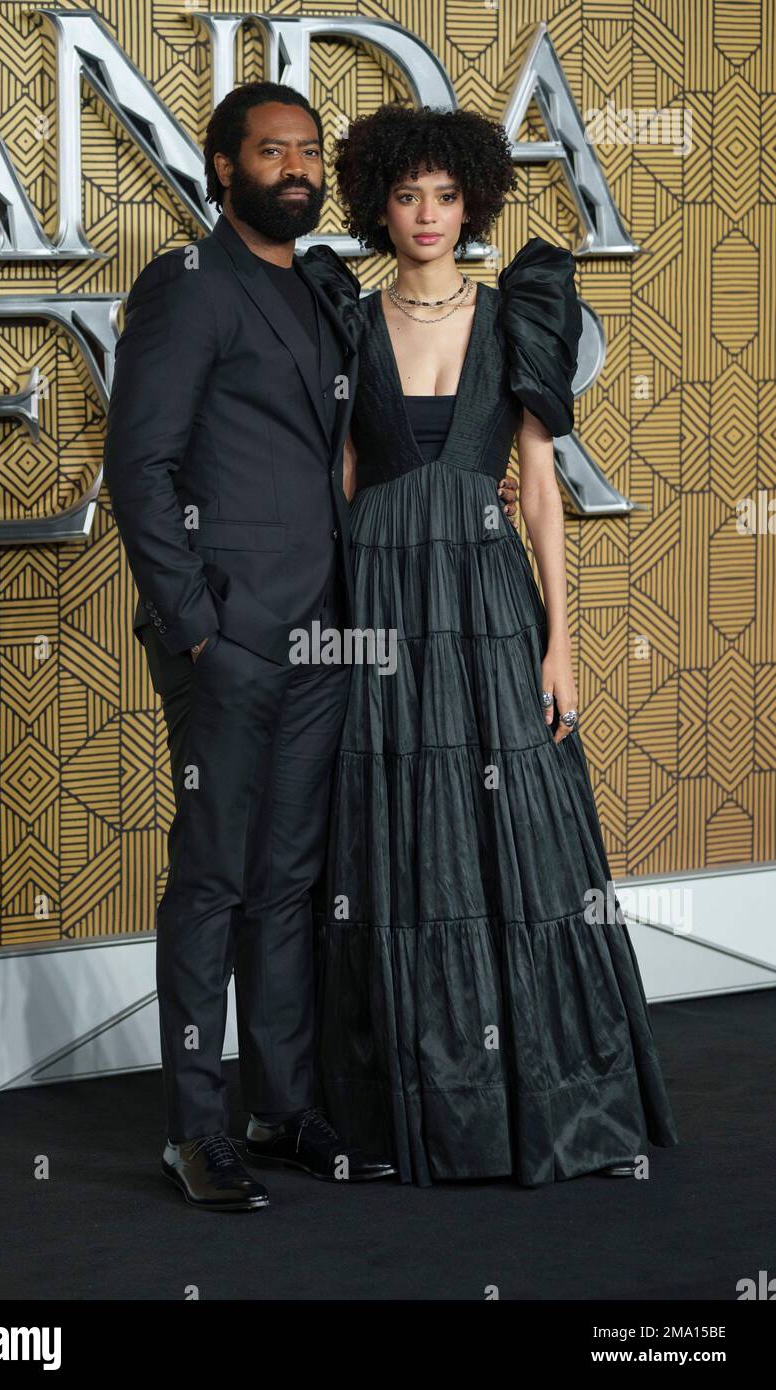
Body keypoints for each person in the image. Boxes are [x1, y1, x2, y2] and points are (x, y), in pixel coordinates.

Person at [103, 82, 519, 1211]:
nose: (291, 167)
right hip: (228, 638)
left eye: (304, 151)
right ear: (223, 166)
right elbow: (135, 468)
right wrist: (196, 627)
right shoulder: (189, 286)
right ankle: (197, 1131)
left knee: (290, 883)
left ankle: (278, 1108)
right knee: (214, 881)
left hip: (329, 631)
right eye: (267, 150)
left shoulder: (319, 290)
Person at [311, 103, 680, 1188]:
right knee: (388, 832)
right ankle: (396, 1116)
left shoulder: (520, 308)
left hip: (484, 593)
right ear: (379, 207)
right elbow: (335, 480)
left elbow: (541, 495)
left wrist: (560, 641)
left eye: (443, 194)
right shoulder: (343, 315)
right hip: (376, 589)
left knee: (522, 831)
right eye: (405, 196)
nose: (426, 214)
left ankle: (558, 1102)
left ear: (472, 200)